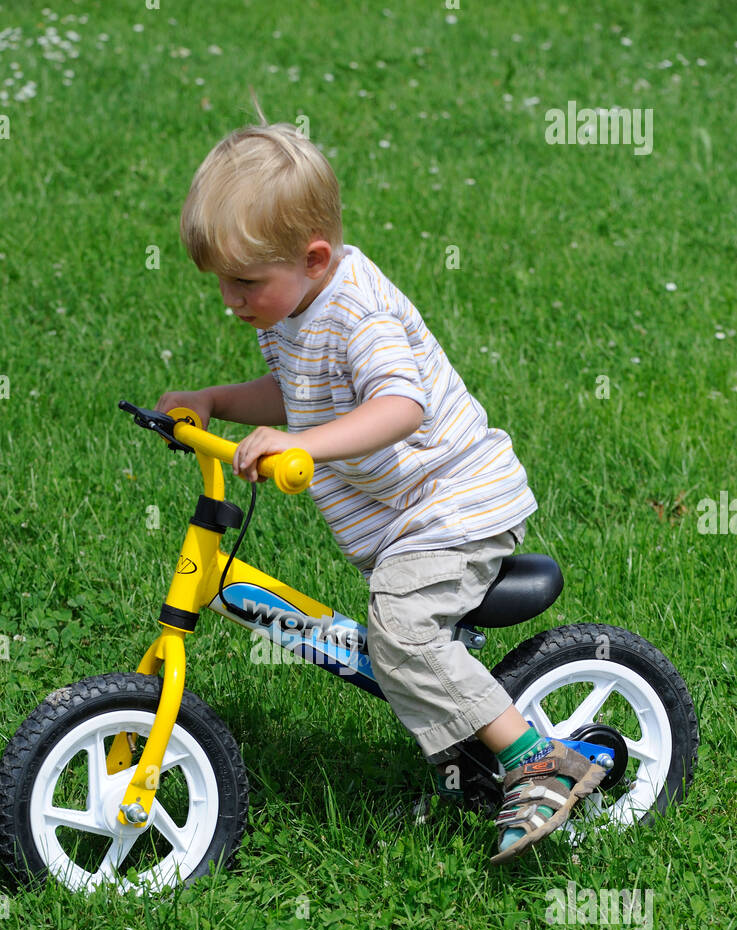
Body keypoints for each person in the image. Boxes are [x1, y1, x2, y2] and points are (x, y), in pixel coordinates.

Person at [157, 118, 605, 862]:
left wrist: (299, 444)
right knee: (395, 636)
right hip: (410, 518)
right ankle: (463, 759)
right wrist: (214, 400)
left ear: (314, 257)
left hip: (457, 507)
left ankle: (538, 759)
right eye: (221, 282)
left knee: (399, 630)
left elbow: (401, 407)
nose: (231, 301)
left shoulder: (357, 311)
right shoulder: (295, 304)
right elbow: (299, 393)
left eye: (244, 282)